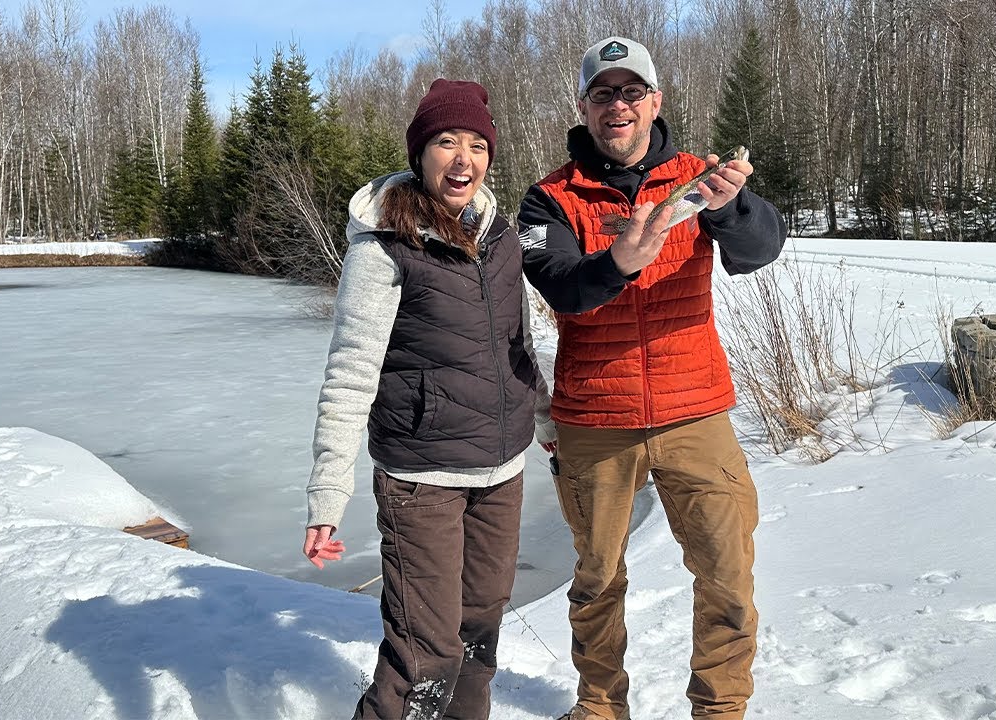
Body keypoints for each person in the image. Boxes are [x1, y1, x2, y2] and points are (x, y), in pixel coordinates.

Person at [517, 37, 788, 720]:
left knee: (727, 575)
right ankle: (600, 705)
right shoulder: (549, 197)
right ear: (584, 106)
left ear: (655, 101)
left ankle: (721, 708)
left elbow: (761, 250)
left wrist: (730, 208)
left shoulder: (700, 178)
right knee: (596, 579)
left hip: (695, 410)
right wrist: (620, 262)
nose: (618, 105)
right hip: (593, 419)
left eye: (631, 91)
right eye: (603, 93)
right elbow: (558, 283)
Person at [302, 78, 557, 720]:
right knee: (426, 653)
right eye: (446, 142)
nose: (463, 159)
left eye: (478, 145)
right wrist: (328, 494)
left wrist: (546, 421)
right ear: (419, 154)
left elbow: (517, 341)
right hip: (421, 476)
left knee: (480, 632)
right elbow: (350, 371)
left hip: (501, 469)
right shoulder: (385, 245)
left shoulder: (500, 238)